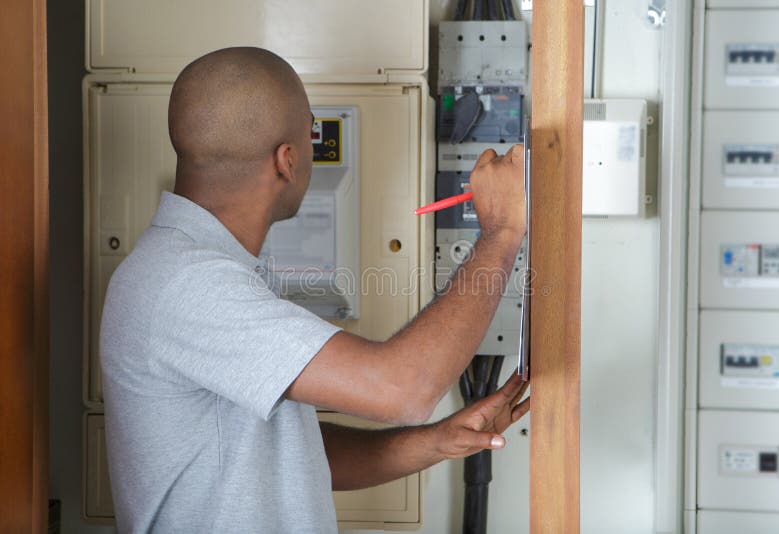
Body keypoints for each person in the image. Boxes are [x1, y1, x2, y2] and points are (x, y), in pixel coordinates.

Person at [100, 47, 529, 534]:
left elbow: (285, 449)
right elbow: (403, 389)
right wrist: (500, 233)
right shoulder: (191, 286)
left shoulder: (201, 272)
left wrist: (437, 441)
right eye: (310, 136)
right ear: (287, 160)